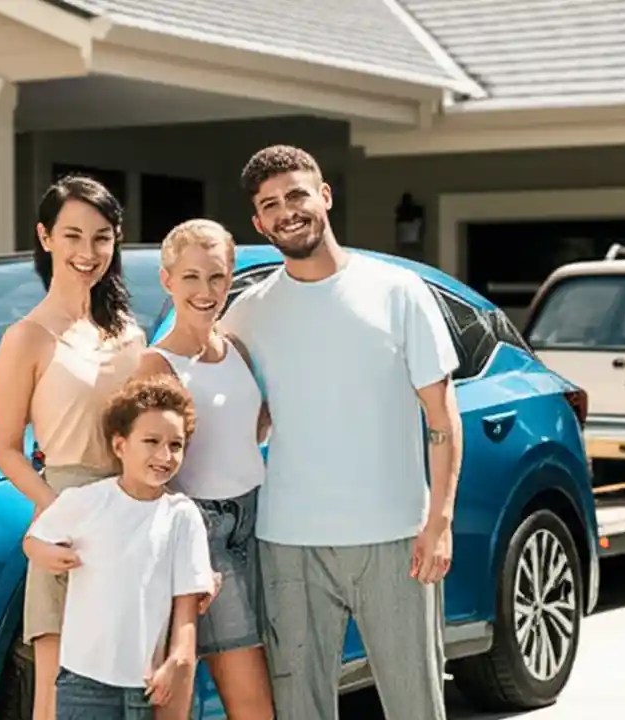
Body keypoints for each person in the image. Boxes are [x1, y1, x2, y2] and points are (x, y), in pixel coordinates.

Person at [220, 145, 463, 720]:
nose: (287, 211)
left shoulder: (398, 291)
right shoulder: (247, 313)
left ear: (324, 196)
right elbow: (222, 408)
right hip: (287, 541)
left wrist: (439, 523)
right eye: (270, 204)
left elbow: (442, 417)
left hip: (396, 538)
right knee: (301, 709)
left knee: (416, 707)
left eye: (297, 194)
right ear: (258, 222)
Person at [0, 174, 146, 720]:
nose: (88, 251)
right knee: (57, 695)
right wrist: (61, 514)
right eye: (73, 235)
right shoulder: (27, 337)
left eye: (101, 237)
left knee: (134, 686)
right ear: (45, 237)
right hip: (68, 521)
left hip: (133, 515)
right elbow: (7, 448)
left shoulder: (129, 333)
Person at [132, 219, 275, 720]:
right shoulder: (156, 364)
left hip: (262, 521)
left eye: (216, 277)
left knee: (272, 680)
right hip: (206, 530)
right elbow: (150, 468)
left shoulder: (236, 349)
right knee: (251, 703)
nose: (205, 290)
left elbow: (253, 428)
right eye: (191, 277)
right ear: (167, 280)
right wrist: (192, 561)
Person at [23, 375, 215, 720]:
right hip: (84, 681)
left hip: (146, 684)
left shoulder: (182, 516)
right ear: (120, 445)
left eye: (176, 445)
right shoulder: (86, 502)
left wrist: (177, 661)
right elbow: (34, 539)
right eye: (151, 441)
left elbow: (186, 609)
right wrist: (45, 553)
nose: (164, 455)